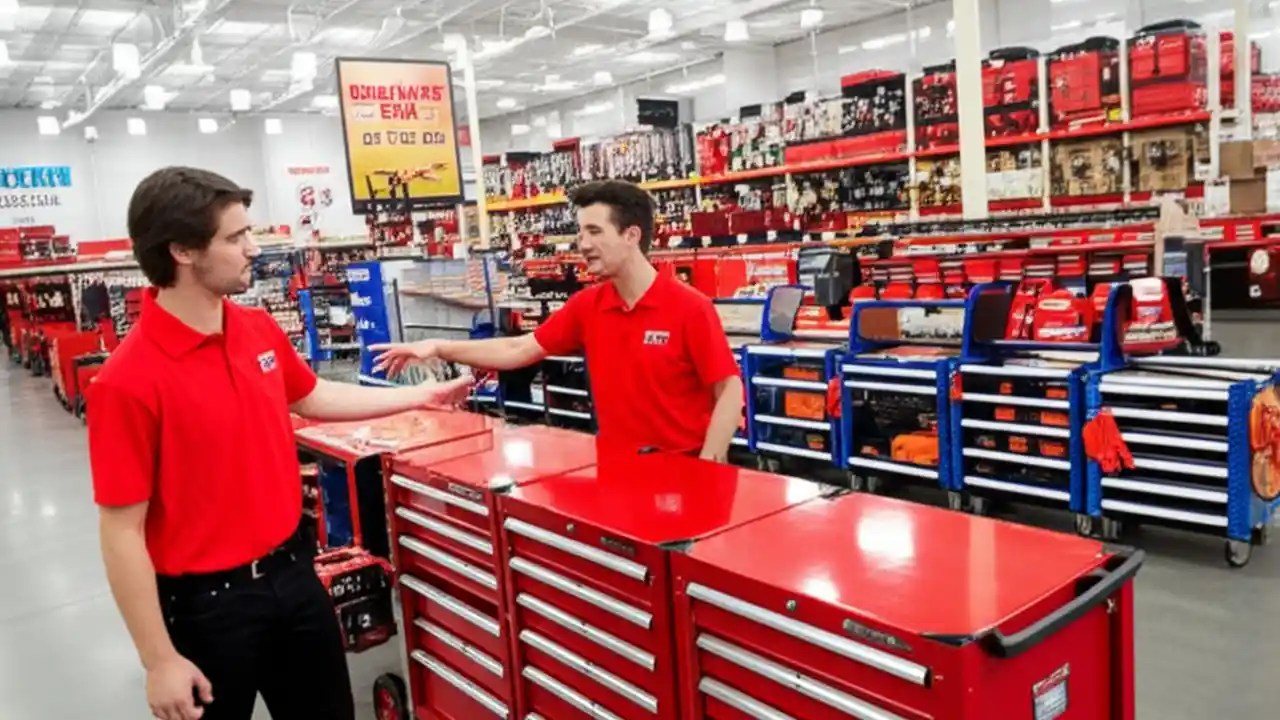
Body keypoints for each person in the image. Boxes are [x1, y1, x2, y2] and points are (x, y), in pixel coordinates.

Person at [87, 167, 470, 720]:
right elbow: (120, 531)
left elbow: (312, 395)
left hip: (295, 577)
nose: (255, 249)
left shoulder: (258, 330)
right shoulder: (126, 382)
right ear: (182, 251)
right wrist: (158, 659)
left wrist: (421, 399)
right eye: (236, 237)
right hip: (206, 611)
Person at [372, 179, 744, 461]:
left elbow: (728, 390)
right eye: (580, 231)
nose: (582, 244)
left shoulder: (689, 308)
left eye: (594, 231)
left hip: (683, 465)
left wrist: (709, 464)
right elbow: (519, 348)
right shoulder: (588, 306)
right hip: (616, 466)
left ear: (632, 235)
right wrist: (439, 346)